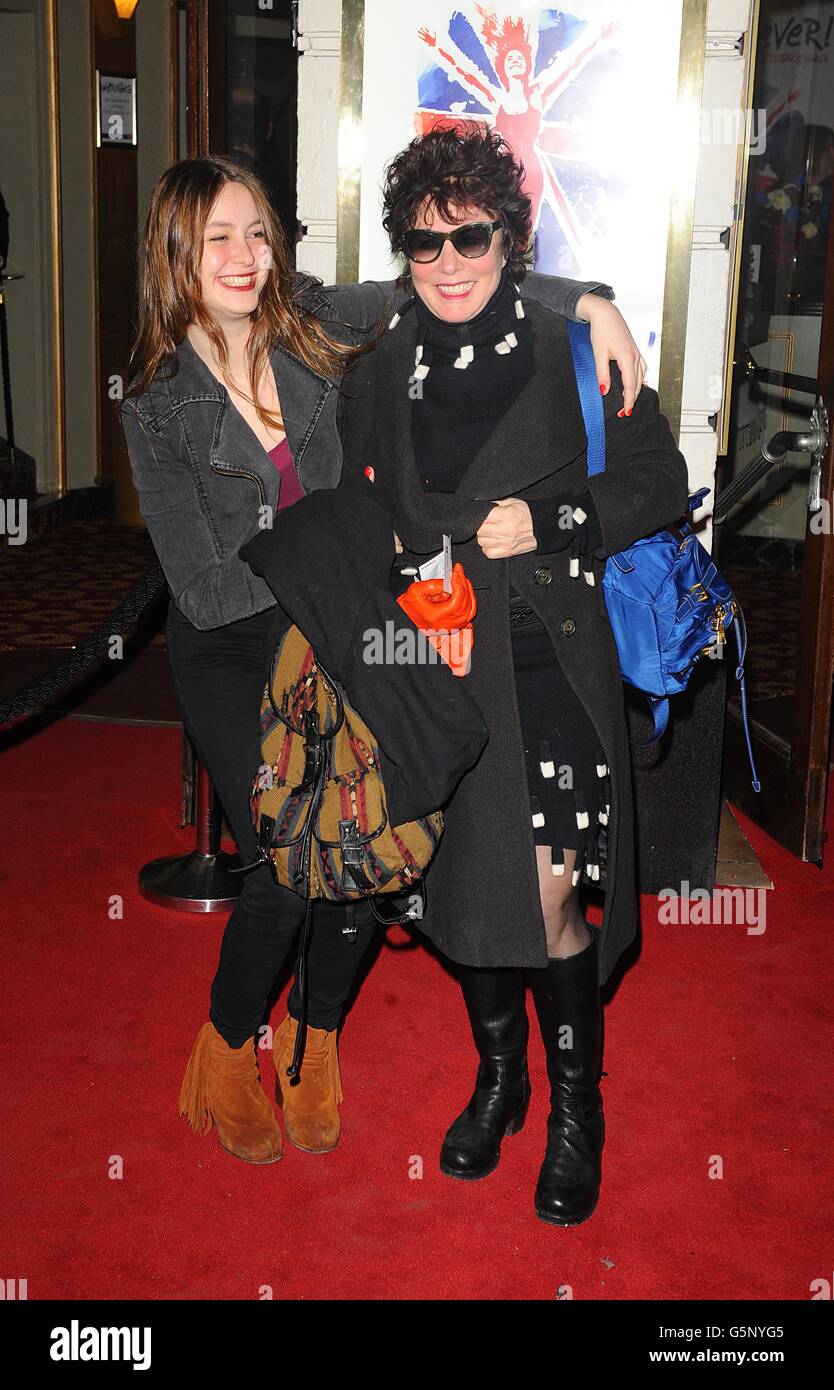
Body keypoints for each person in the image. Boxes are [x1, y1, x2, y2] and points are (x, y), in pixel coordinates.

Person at [120, 152, 647, 1169]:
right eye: (216, 238)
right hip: (237, 651)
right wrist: (342, 553)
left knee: (380, 842)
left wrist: (590, 299)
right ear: (175, 257)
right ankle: (231, 1048)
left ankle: (317, 1040)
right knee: (286, 860)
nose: (242, 256)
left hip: (341, 625)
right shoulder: (154, 401)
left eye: (255, 233)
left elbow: (448, 273)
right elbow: (208, 587)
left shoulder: (315, 327)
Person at [335, 125, 690, 1224]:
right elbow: (362, 492)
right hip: (432, 662)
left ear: (510, 236)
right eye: (423, 243)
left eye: (471, 236)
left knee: (539, 906)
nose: (448, 263)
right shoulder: (382, 359)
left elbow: (660, 480)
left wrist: (550, 517)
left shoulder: (573, 349)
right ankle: (501, 1076)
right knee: (459, 893)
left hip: (543, 665)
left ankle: (577, 1102)